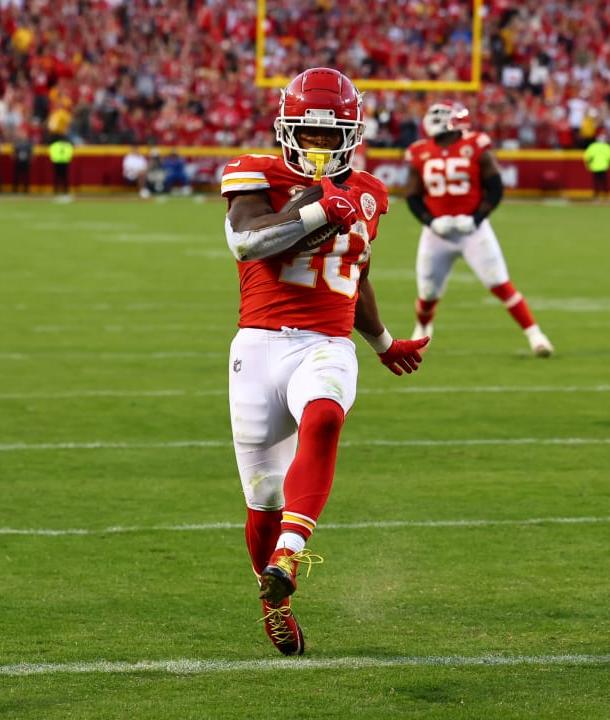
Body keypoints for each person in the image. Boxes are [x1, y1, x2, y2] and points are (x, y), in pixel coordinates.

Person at [220, 67, 429, 655]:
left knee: (326, 417)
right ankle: (276, 600)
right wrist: (316, 211)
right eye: (307, 135)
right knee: (263, 497)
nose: (317, 146)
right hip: (259, 342)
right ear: (287, 131)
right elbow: (244, 241)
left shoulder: (370, 192)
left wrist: (385, 342)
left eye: (329, 135)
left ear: (351, 134)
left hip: (326, 340)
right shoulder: (256, 172)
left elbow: (354, 274)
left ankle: (290, 550)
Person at [402, 101, 553, 357]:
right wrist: (431, 222)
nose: (462, 122)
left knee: (500, 283)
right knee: (427, 292)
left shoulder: (475, 145)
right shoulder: (419, 152)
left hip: (473, 230)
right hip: (437, 233)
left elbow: (496, 187)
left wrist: (476, 218)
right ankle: (423, 327)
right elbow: (413, 196)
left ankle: (535, 335)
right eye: (456, 117)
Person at [583, 131, 610, 200]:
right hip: (604, 167)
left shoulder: (592, 146)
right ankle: (606, 196)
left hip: (595, 167)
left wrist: (588, 165)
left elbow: (587, 157)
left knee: (596, 183)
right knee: (604, 182)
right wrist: (609, 165)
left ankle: (596, 196)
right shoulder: (607, 147)